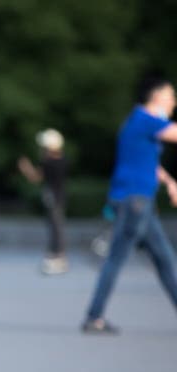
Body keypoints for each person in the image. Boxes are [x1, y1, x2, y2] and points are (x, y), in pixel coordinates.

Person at [82, 77, 177, 334]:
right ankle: (94, 316)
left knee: (165, 259)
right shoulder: (145, 120)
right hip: (134, 201)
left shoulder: (138, 123)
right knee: (116, 259)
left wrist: (169, 181)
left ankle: (94, 315)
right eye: (171, 96)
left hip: (138, 200)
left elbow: (145, 162)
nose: (174, 102)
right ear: (156, 97)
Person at [18, 129, 69, 274]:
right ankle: (58, 256)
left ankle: (57, 257)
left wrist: (26, 168)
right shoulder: (63, 160)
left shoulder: (48, 162)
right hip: (60, 196)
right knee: (57, 226)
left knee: (55, 227)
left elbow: (35, 177)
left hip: (52, 198)